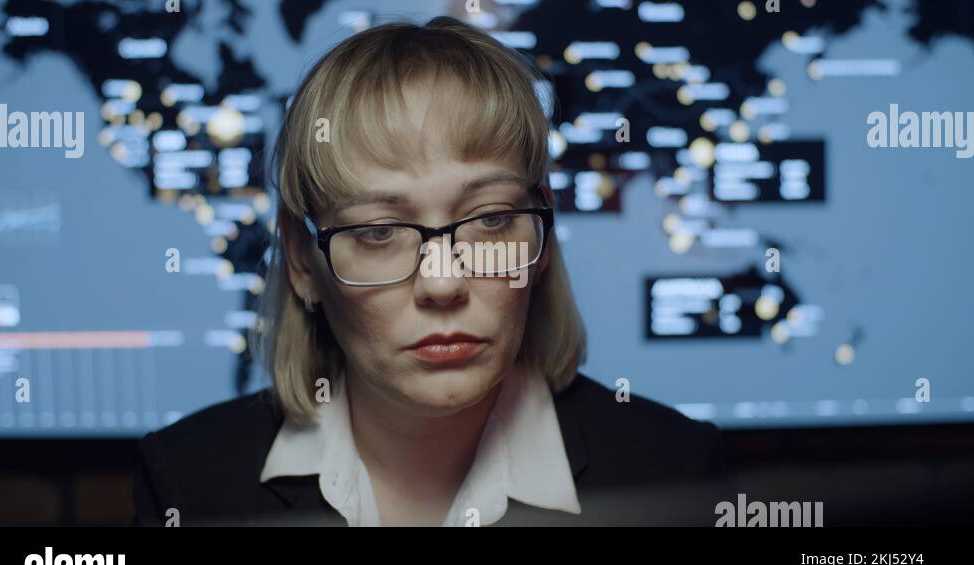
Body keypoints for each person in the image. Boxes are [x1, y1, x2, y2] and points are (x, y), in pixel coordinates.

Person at [132, 15, 728, 527]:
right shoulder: (188, 485)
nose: (443, 284)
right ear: (300, 260)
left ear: (541, 236)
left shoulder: (679, 474)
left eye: (490, 219)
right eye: (376, 232)